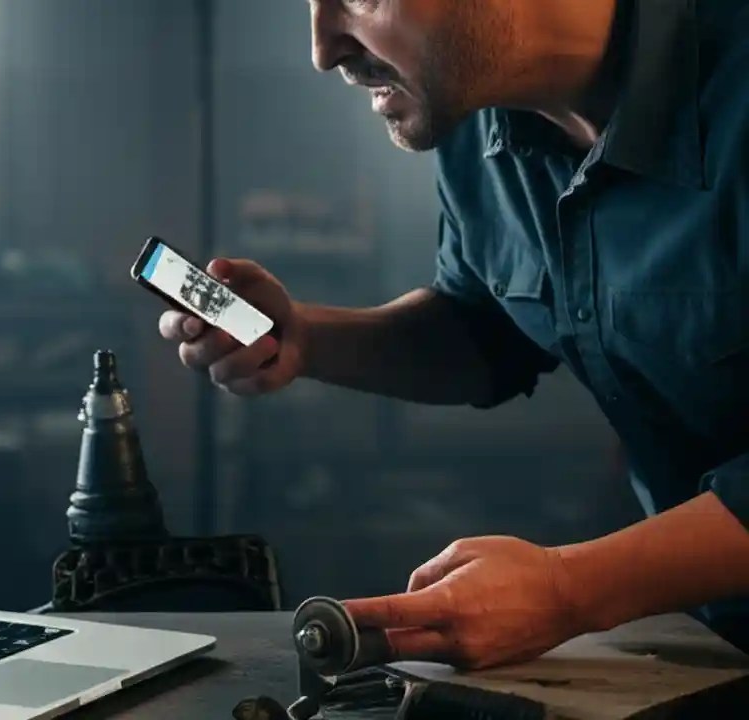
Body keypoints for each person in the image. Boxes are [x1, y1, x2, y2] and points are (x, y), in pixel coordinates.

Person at [159, 0, 749, 669]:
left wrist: (570, 590)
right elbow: (486, 328)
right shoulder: (484, 117)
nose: (324, 49)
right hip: (711, 645)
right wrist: (305, 338)